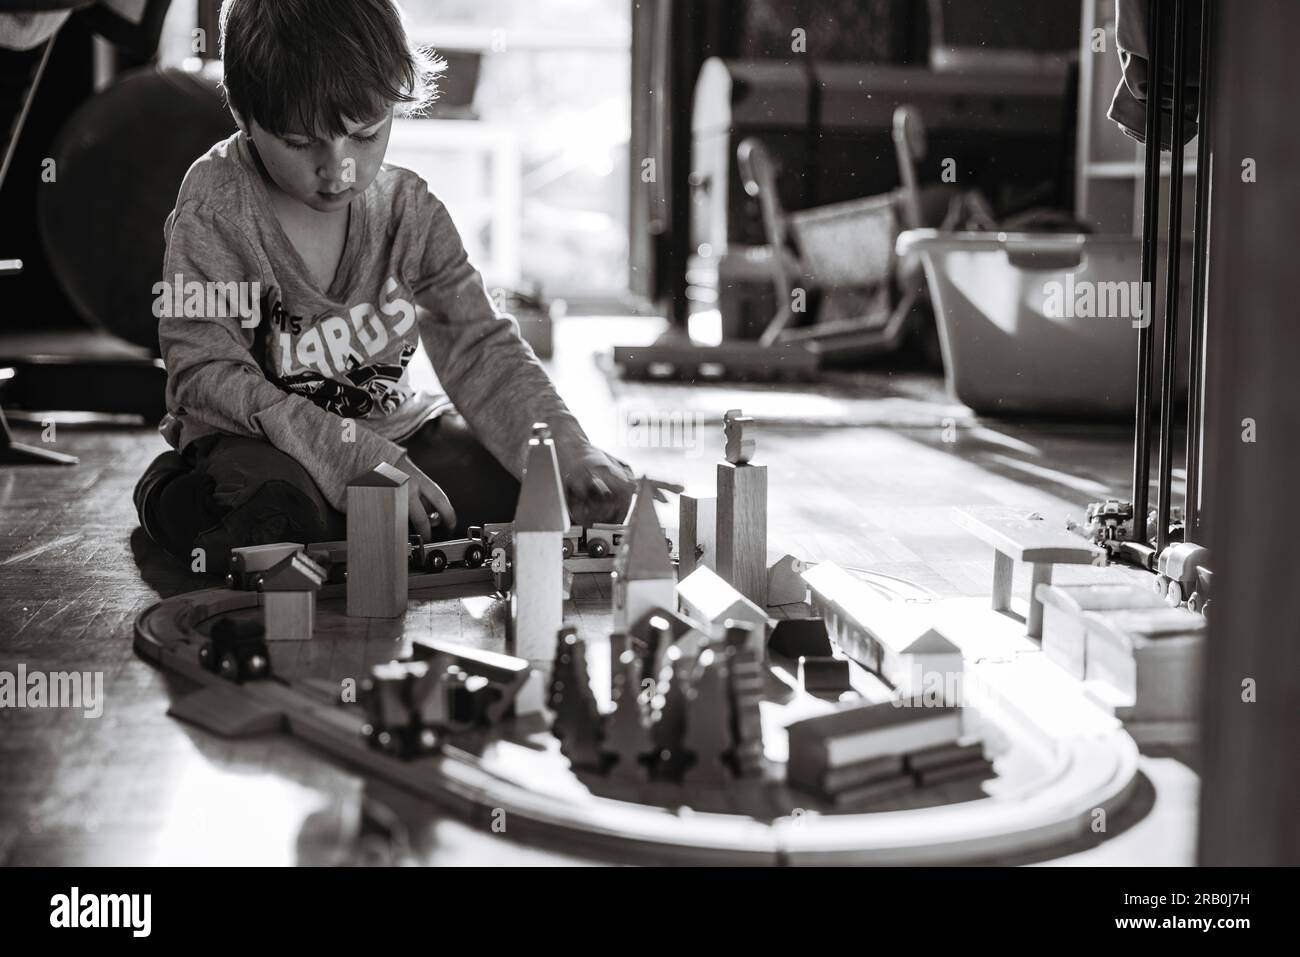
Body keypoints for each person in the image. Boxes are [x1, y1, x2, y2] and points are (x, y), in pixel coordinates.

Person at [134, 0, 635, 576]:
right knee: (271, 527)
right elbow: (204, 375)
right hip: (259, 443)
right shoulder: (215, 210)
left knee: (535, 499)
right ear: (245, 115)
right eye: (300, 142)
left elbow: (480, 346)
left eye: (365, 135)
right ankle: (170, 487)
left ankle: (360, 515)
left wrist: (568, 451)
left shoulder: (410, 209)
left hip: (393, 435)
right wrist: (346, 457)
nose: (338, 170)